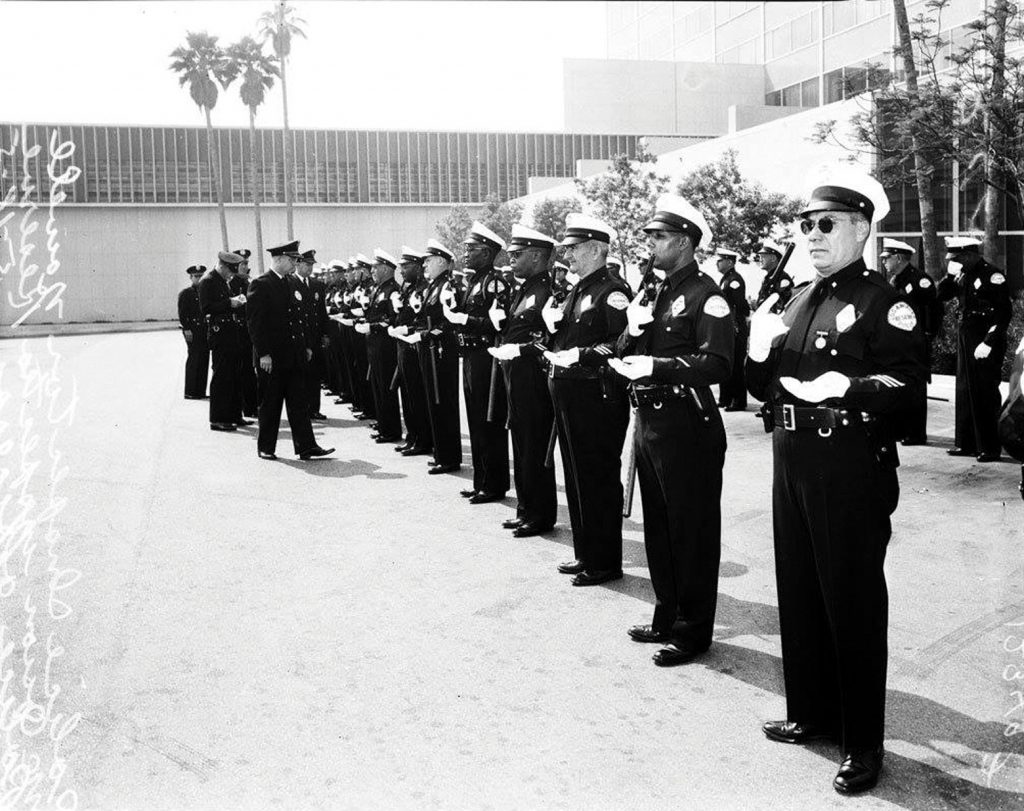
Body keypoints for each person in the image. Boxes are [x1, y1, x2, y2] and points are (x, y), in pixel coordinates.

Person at [746, 166, 927, 794]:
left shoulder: (883, 301)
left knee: (849, 599)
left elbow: (908, 392)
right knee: (798, 590)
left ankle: (861, 742)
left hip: (848, 460)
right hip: (790, 457)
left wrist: (849, 386)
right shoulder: (797, 298)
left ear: (861, 230)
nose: (812, 235)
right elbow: (754, 389)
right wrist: (759, 350)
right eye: (805, 226)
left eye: (826, 225)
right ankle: (811, 713)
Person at [608, 195, 733, 667]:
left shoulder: (707, 295)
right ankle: (666, 614)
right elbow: (624, 351)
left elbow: (718, 363)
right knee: (659, 527)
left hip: (688, 423)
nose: (651, 246)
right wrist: (631, 331)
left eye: (658, 238)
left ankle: (692, 630)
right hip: (650, 421)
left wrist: (658, 364)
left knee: (691, 530)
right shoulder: (653, 292)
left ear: (683, 242)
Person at [543, 213, 630, 586]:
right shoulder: (579, 289)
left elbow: (621, 343)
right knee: (577, 477)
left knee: (597, 478)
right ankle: (586, 553)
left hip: (598, 396)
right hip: (570, 395)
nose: (568, 254)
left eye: (574, 248)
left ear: (597, 249)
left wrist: (585, 355)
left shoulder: (612, 290)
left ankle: (605, 561)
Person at [487, 223, 558, 537]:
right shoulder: (525, 289)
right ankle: (525, 508)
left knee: (534, 444)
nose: (512, 259)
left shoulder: (546, 291)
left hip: (534, 377)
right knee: (521, 442)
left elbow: (549, 341)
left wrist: (520, 348)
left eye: (518, 254)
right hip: (516, 374)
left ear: (538, 256)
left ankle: (540, 515)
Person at [246, 240, 334, 461]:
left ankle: (306, 446)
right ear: (279, 259)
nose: (295, 262)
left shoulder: (290, 283)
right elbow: (255, 323)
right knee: (270, 405)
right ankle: (266, 447)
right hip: (272, 359)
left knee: (299, 404)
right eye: (292, 259)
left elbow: (297, 320)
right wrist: (263, 353)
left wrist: (304, 346)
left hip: (293, 356)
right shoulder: (261, 284)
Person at [444, 222, 511, 503]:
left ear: (486, 252)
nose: (466, 253)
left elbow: (499, 325)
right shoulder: (473, 281)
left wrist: (466, 320)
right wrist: (453, 307)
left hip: (486, 357)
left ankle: (494, 484)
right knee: (475, 421)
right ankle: (480, 480)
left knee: (489, 421)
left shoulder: (494, 282)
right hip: (470, 356)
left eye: (471, 249)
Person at [937, 236, 1013, 462]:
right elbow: (942, 295)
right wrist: (950, 276)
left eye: (958, 258)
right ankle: (966, 443)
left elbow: (1003, 313)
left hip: (984, 339)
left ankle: (989, 447)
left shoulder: (992, 275)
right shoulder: (963, 274)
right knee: (964, 390)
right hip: (966, 335)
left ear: (970, 255)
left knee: (984, 393)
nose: (955, 262)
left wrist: (989, 341)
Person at [880, 238, 942, 445]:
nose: (884, 263)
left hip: (915, 341)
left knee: (915, 387)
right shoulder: (895, 281)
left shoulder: (919, 280)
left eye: (887, 258)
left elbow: (934, 310)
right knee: (898, 384)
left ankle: (915, 433)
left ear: (899, 258)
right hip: (897, 342)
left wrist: (928, 334)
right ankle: (900, 429)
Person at [414, 239, 462, 474]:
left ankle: (449, 457)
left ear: (442, 262)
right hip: (431, 349)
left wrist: (427, 334)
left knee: (444, 403)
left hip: (442, 351)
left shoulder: (447, 287)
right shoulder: (434, 285)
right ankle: (441, 453)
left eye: (429, 260)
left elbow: (449, 323)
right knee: (433, 402)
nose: (425, 265)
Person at [389, 247, 433, 457]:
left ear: (417, 267)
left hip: (414, 346)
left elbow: (423, 320)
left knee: (416, 395)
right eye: (401, 267)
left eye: (406, 267)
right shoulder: (407, 289)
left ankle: (423, 440)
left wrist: (408, 328)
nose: (402, 270)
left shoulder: (424, 288)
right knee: (406, 394)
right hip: (403, 345)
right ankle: (412, 436)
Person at [198, 251, 248, 431]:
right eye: (230, 271)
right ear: (222, 266)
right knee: (221, 377)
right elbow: (205, 308)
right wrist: (229, 303)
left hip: (231, 333)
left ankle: (235, 414)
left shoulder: (222, 281)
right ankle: (218, 418)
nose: (231, 275)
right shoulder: (208, 281)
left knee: (235, 375)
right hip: (220, 335)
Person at [358, 249, 403, 443]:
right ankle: (383, 424)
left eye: (375, 268)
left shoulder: (393, 290)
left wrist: (372, 326)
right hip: (374, 345)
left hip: (386, 345)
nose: (372, 271)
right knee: (377, 385)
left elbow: (392, 319)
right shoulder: (378, 289)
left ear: (386, 268)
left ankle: (391, 430)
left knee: (386, 387)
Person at [294, 249, 330, 420]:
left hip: (314, 336)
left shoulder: (317, 285)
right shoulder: (291, 283)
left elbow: (321, 312)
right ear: (298, 264)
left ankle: (314, 408)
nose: (309, 268)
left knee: (314, 374)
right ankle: (302, 410)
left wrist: (325, 333)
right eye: (307, 264)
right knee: (301, 375)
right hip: (300, 337)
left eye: (311, 265)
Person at [715, 248, 749, 411]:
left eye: (720, 260)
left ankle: (738, 400)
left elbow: (740, 305)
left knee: (735, 364)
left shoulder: (735, 280)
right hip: (727, 326)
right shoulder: (726, 279)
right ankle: (725, 397)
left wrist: (736, 326)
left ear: (729, 262)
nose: (717, 263)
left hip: (735, 327)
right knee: (726, 362)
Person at [178, 264, 209, 400]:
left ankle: (200, 391)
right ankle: (190, 391)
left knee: (204, 359)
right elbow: (182, 314)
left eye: (201, 276)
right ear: (191, 277)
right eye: (196, 276)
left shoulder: (205, 291)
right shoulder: (186, 293)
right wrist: (186, 329)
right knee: (194, 359)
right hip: (193, 329)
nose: (199, 278)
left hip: (204, 329)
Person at [754, 240, 793, 312]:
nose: (760, 260)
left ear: (773, 258)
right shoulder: (767, 278)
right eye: (760, 257)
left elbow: (784, 305)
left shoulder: (782, 278)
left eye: (763, 257)